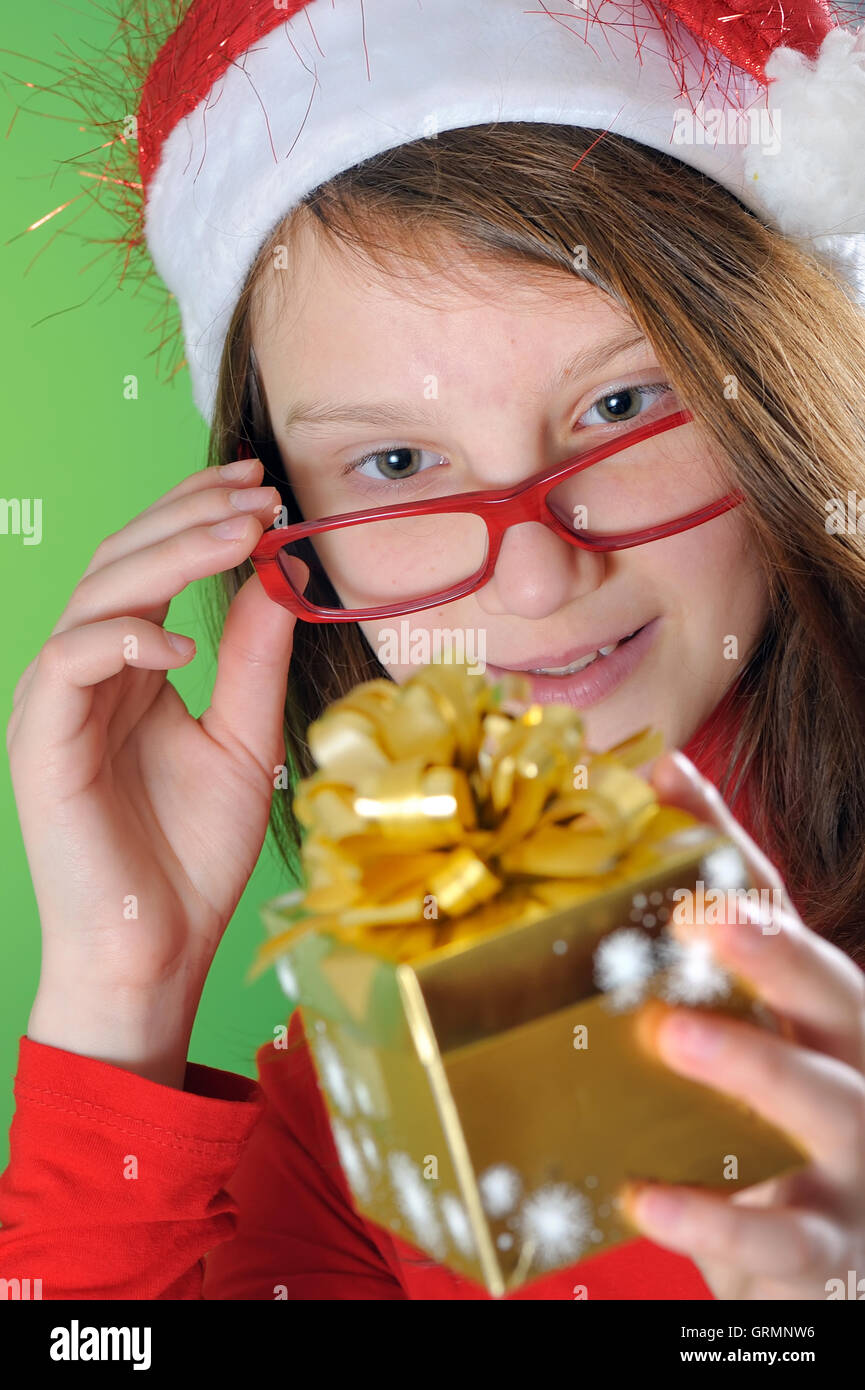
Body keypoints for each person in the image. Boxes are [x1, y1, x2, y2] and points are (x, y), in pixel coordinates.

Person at [2, 0, 865, 1300]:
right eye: (399, 461)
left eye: (621, 402)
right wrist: (125, 991)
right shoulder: (363, 1126)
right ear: (286, 532)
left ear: (777, 381)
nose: (535, 571)